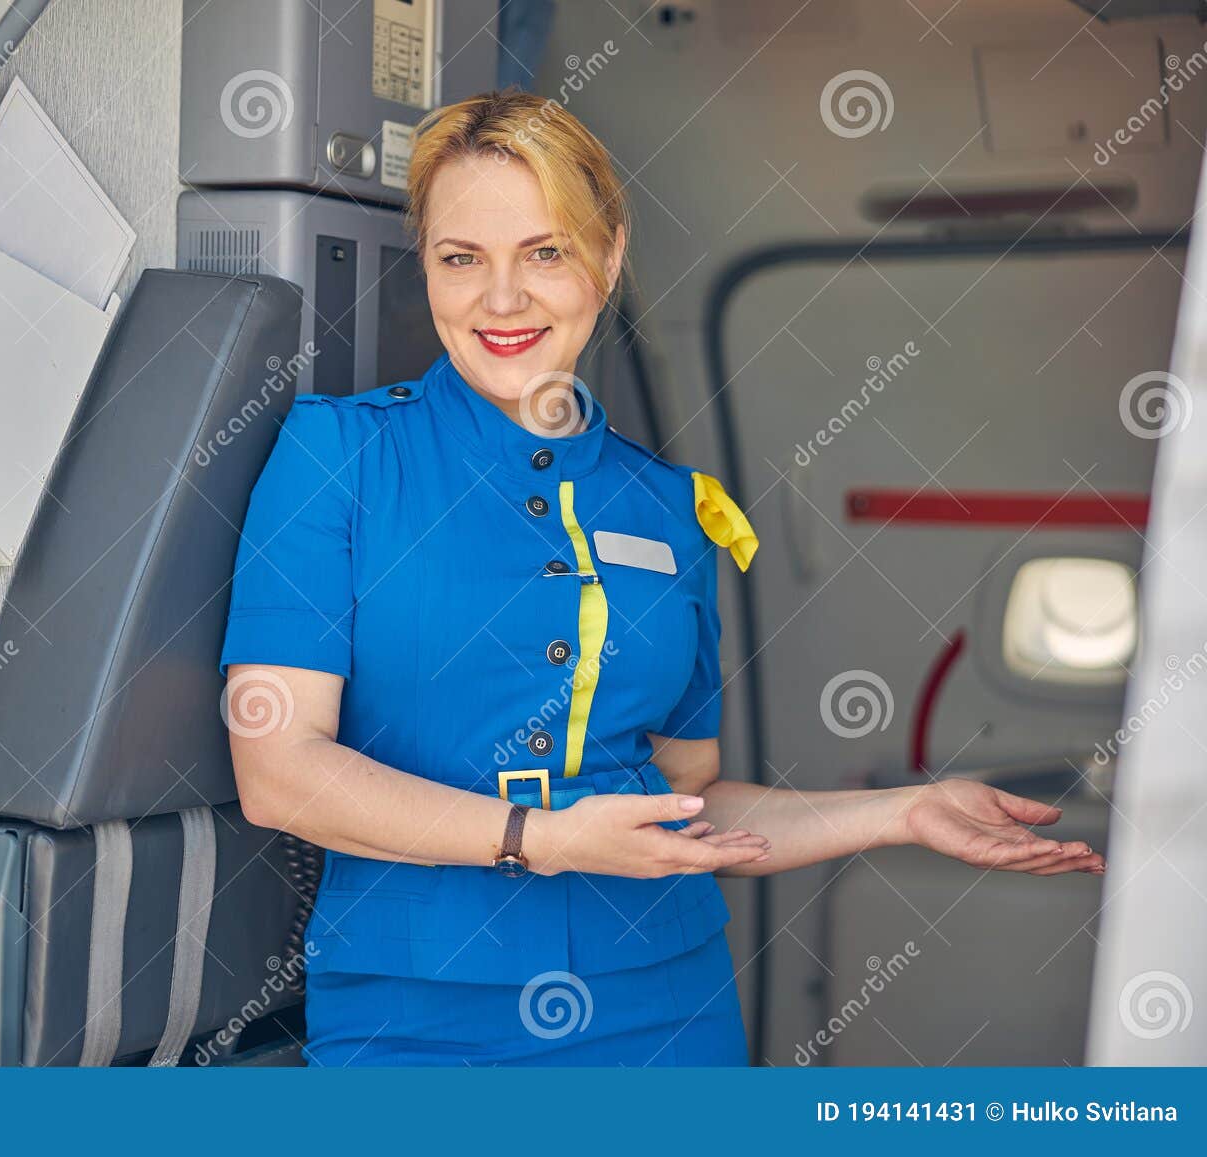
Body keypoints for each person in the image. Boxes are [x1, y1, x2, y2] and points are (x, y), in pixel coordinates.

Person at [217, 88, 1104, 1067]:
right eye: (460, 257)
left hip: (662, 1005)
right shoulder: (338, 457)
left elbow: (686, 804)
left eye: (544, 252)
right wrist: (539, 836)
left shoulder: (668, 509)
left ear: (608, 253)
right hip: (415, 1014)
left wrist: (898, 810)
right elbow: (278, 767)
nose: (500, 299)